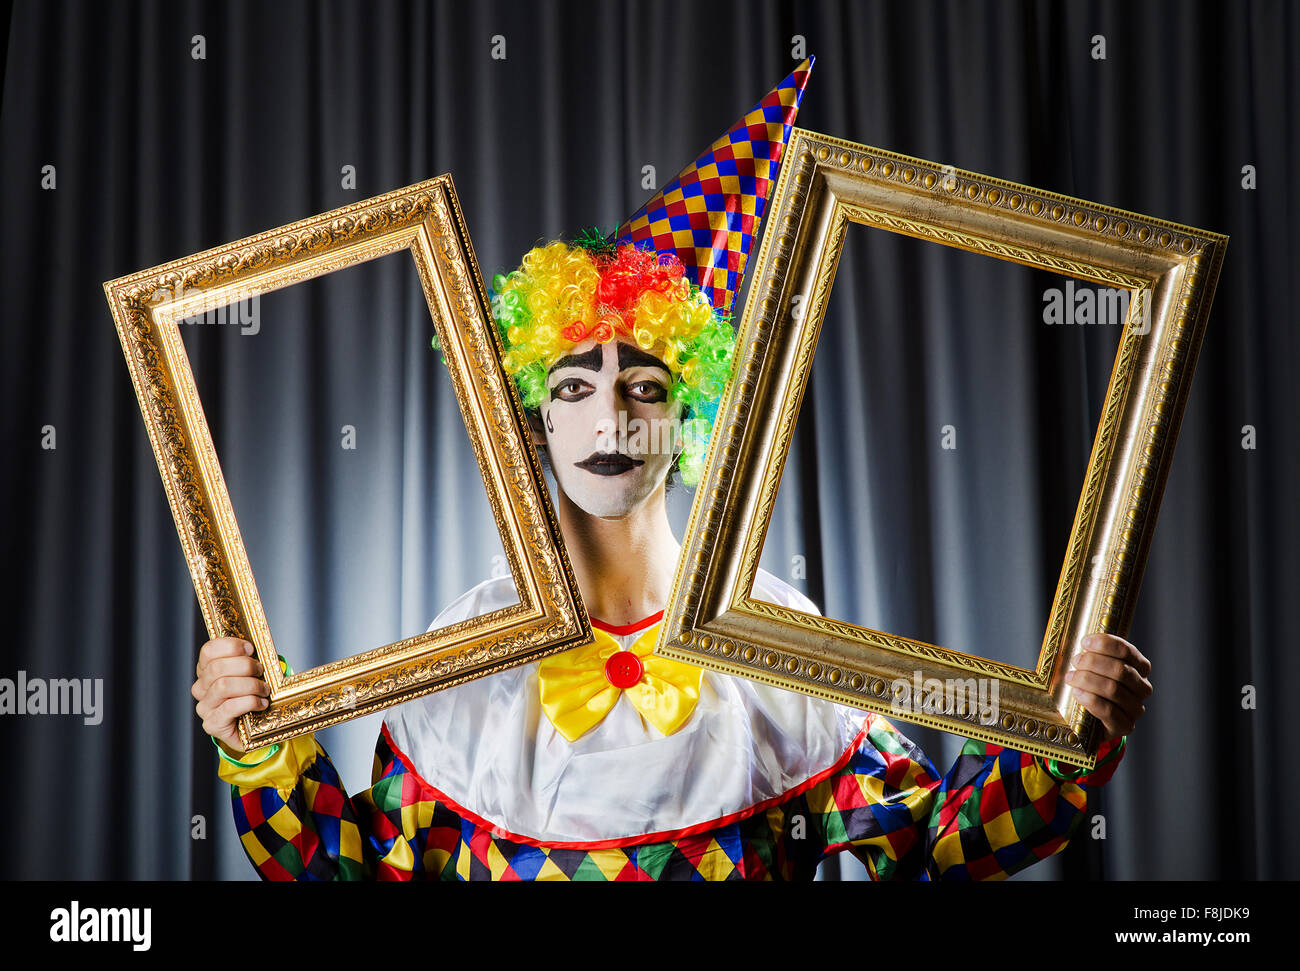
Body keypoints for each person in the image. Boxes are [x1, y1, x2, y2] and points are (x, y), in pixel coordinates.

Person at [192, 59, 1150, 881]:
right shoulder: (463, 653)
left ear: (688, 419)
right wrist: (261, 746)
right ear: (530, 423)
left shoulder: (779, 638)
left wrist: (1064, 734)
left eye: (646, 386)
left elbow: (933, 847)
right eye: (574, 388)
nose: (611, 414)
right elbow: (355, 870)